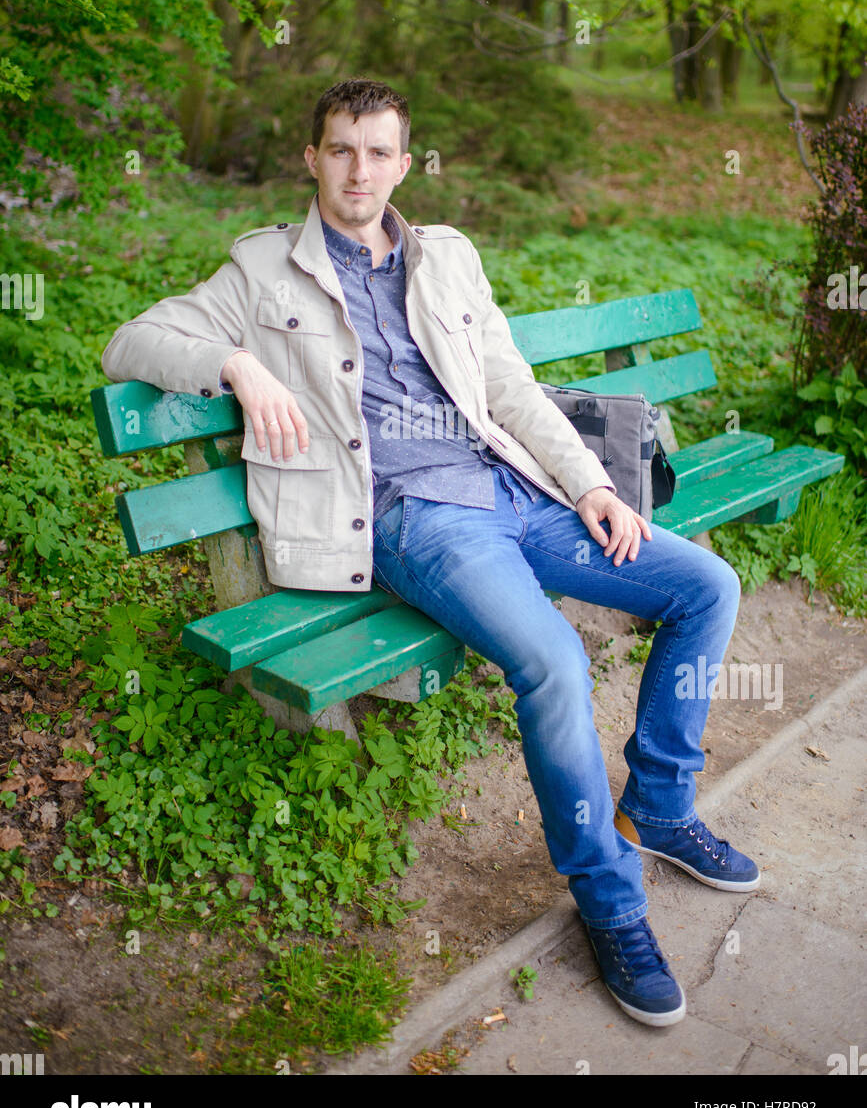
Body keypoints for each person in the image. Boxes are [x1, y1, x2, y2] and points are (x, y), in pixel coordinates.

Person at [101, 77, 759, 1029]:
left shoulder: (446, 257)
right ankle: (610, 903)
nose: (358, 169)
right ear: (312, 158)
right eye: (340, 149)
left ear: (404, 163)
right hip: (416, 521)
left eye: (377, 152)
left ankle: (657, 802)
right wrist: (234, 364)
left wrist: (591, 486)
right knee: (552, 661)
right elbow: (132, 340)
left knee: (705, 583)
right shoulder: (260, 272)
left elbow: (512, 391)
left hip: (515, 491)